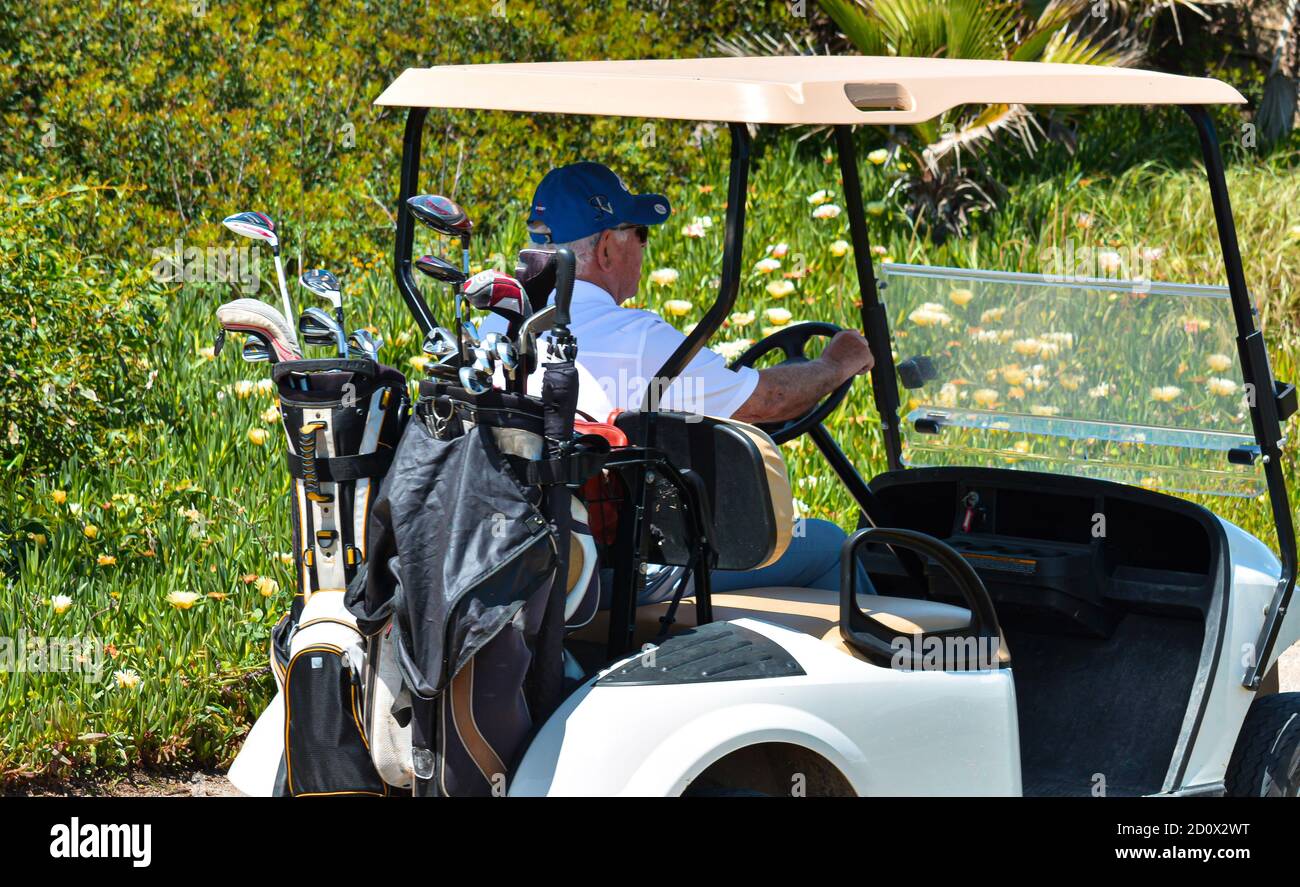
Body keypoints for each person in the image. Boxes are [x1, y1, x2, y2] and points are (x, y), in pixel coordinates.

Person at [482, 161, 875, 602]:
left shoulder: (495, 331)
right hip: (626, 569)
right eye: (641, 235)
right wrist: (837, 364)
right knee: (832, 544)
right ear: (608, 248)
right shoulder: (637, 339)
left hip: (528, 559)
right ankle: (887, 655)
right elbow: (769, 401)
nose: (645, 249)